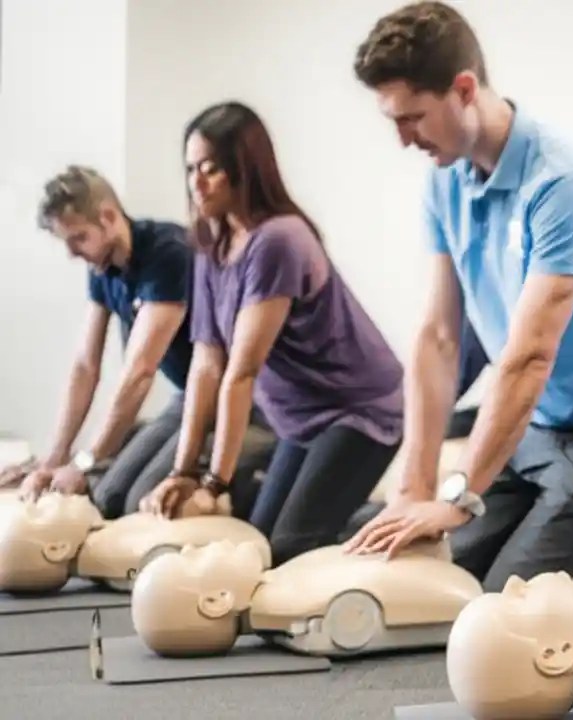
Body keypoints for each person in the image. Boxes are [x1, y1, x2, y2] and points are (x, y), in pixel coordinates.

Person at [342, 1, 573, 609]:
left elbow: (529, 357)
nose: (404, 140)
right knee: (443, 576)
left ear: (463, 90)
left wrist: (457, 497)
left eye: (413, 118)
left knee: (505, 604)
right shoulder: (444, 179)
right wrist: (415, 487)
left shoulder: (565, 183)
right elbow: (437, 338)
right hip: (541, 428)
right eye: (392, 122)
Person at [138, 101, 405, 566]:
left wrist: (214, 485)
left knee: (289, 550)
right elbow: (206, 365)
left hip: (358, 412)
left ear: (246, 170)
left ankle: (391, 524)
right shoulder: (208, 243)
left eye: (211, 168)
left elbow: (241, 372)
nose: (196, 182)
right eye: (190, 169)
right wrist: (184, 472)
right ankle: (350, 514)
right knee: (259, 543)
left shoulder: (280, 239)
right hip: (299, 419)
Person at [3, 166, 273, 518]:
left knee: (135, 501)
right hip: (190, 399)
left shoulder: (167, 253)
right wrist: (54, 459)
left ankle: (272, 490)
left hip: (245, 403)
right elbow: (86, 366)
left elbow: (140, 373)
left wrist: (84, 463)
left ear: (109, 217)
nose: (72, 253)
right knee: (109, 495)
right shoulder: (103, 267)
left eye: (79, 238)